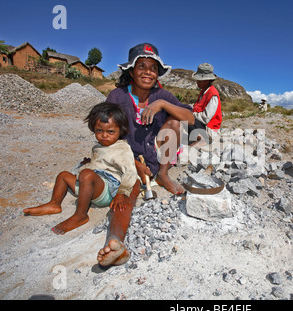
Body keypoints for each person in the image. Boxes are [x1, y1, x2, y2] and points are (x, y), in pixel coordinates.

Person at [94, 43, 195, 267]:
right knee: (127, 194)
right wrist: (132, 165)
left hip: (155, 154)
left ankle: (164, 174)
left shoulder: (162, 94)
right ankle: (115, 242)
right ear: (131, 71)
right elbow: (107, 134)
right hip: (127, 158)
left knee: (175, 122)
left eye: (153, 67)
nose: (148, 72)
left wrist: (161, 104)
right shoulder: (117, 96)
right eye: (142, 66)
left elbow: (190, 118)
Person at [23, 102, 139, 240]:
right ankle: (54, 204)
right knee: (63, 175)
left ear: (121, 130)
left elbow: (131, 172)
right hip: (91, 183)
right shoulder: (99, 146)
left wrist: (121, 193)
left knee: (86, 175)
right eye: (99, 131)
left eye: (110, 132)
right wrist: (90, 163)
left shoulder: (122, 149)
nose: (104, 136)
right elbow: (101, 162)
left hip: (107, 189)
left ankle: (80, 215)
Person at [187, 63, 222, 146]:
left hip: (210, 129)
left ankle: (202, 139)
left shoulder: (213, 94)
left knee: (186, 116)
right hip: (202, 125)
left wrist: (191, 114)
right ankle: (197, 137)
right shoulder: (204, 91)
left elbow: (206, 118)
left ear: (206, 81)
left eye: (199, 81)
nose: (197, 82)